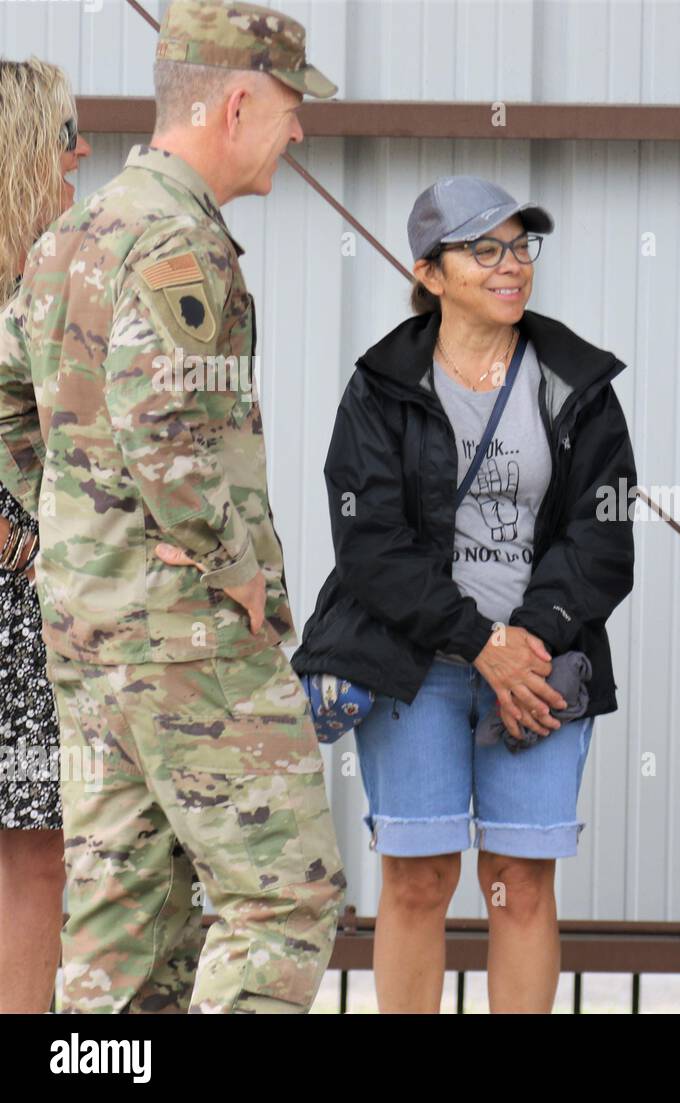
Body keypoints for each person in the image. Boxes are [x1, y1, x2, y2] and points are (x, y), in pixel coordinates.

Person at [0, 0, 345, 1013]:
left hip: (91, 632)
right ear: (237, 101)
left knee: (121, 921)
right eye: (289, 106)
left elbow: (8, 396)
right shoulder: (175, 239)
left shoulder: (73, 232)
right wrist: (230, 562)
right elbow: (165, 432)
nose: (298, 129)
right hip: (188, 632)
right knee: (283, 894)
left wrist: (64, 517)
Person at [292, 176, 637, 1013]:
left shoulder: (576, 382)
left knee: (518, 879)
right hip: (416, 663)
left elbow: (604, 535)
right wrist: (481, 642)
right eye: (484, 250)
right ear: (431, 273)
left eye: (521, 246)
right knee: (418, 879)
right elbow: (370, 542)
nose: (511, 265)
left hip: (541, 664)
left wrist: (530, 640)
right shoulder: (380, 386)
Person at [0, 57, 91, 1014]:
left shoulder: (59, 274)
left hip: (40, 617)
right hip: (22, 598)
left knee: (38, 848)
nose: (84, 153)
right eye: (68, 134)